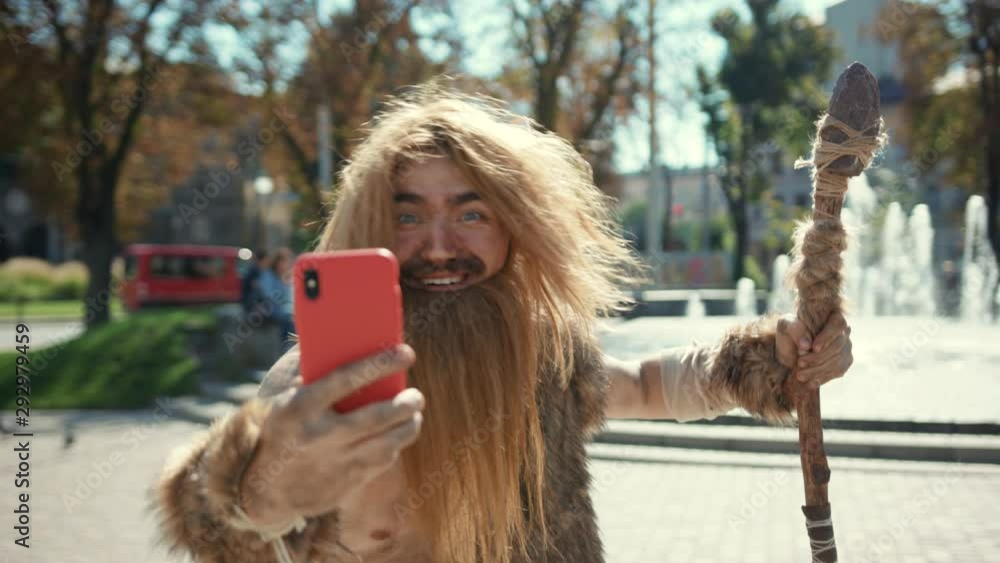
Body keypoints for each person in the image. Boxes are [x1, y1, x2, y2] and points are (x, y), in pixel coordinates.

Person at [155, 87, 853, 563]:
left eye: (471, 212)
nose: (437, 244)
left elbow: (645, 383)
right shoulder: (327, 377)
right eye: (407, 215)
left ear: (515, 228)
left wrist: (769, 360)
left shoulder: (539, 352)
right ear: (371, 223)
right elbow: (222, 508)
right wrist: (263, 488)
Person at [258, 247, 296, 353]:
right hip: (269, 307)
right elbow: (268, 296)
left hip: (284, 308)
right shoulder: (268, 275)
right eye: (284, 261)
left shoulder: (288, 277)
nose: (286, 264)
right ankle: (286, 348)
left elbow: (290, 298)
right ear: (277, 262)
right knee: (288, 318)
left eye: (288, 261)